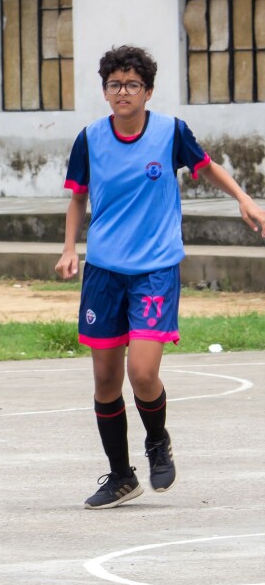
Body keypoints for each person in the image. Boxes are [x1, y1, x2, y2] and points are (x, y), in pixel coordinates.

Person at [55, 45, 265, 510]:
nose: (123, 91)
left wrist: (244, 199)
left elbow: (205, 167)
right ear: (105, 91)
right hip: (104, 271)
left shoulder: (170, 132)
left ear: (147, 91)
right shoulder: (89, 139)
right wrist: (70, 248)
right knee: (106, 381)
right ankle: (121, 475)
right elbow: (77, 197)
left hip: (154, 269)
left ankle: (157, 441)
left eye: (132, 84)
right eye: (114, 84)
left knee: (143, 372)